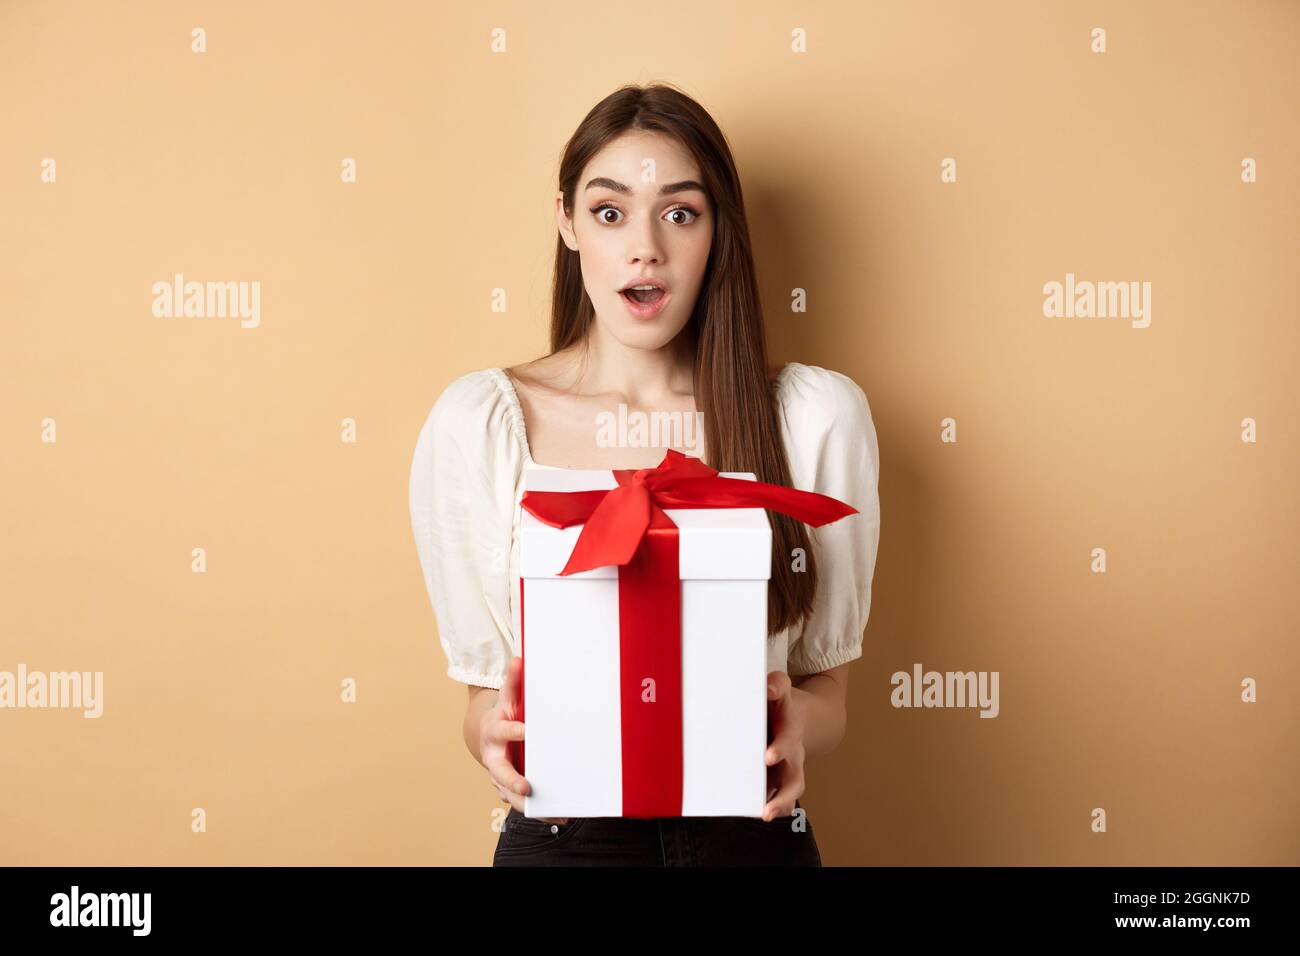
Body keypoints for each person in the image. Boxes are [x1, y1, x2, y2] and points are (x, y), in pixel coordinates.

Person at [409, 82, 880, 866]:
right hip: (564, 843)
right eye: (609, 211)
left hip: (752, 836)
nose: (645, 247)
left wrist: (797, 723)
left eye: (681, 213)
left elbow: (826, 691)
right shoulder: (478, 424)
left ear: (717, 232)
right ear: (567, 223)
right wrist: (486, 736)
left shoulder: (812, 418)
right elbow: (485, 700)